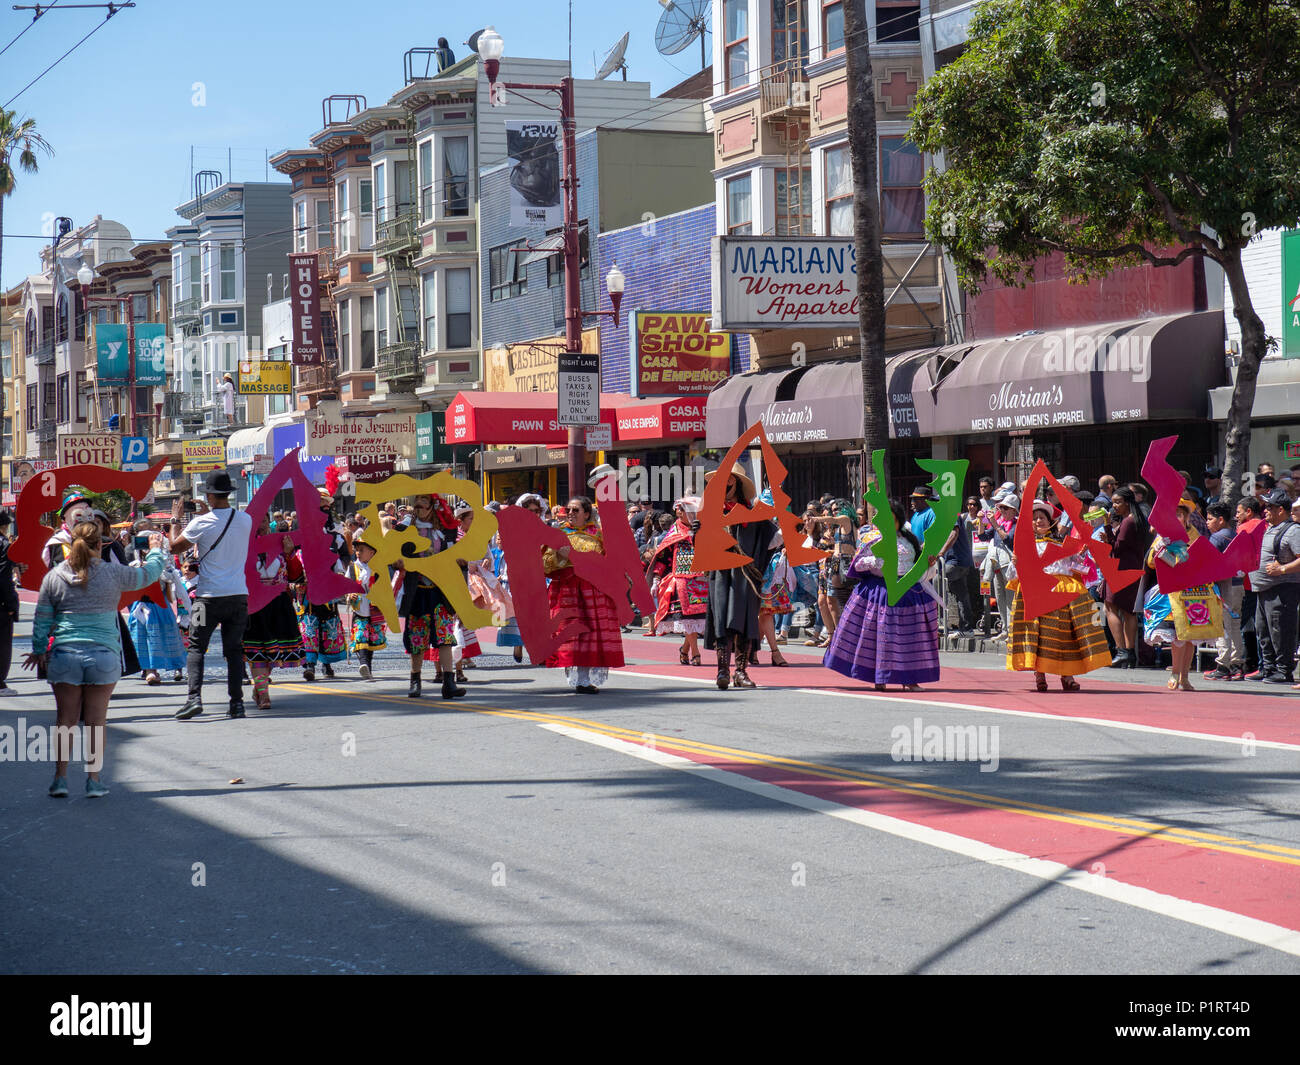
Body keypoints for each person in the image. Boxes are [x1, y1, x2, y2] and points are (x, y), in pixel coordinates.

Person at [26, 522, 168, 797]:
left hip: (65, 654)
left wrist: (39, 650)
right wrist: (155, 551)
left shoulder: (55, 577)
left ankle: (60, 778)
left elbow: (42, 620)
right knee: (96, 722)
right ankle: (93, 780)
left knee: (65, 720)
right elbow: (149, 575)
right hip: (103, 654)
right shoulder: (113, 573)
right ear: (101, 545)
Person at [824, 500, 940, 691]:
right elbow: (857, 564)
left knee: (908, 638)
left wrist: (929, 562)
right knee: (880, 636)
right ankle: (879, 677)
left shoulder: (909, 539)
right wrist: (875, 561)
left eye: (892, 519)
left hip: (907, 593)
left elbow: (918, 566)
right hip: (879, 594)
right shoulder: (872, 539)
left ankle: (910, 679)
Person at [169, 470, 253, 720]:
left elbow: (175, 546)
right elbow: (221, 527)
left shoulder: (200, 523)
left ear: (208, 495)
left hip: (207, 598)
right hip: (238, 596)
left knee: (196, 647)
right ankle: (236, 703)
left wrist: (175, 520)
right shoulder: (245, 519)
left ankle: (194, 698)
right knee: (234, 651)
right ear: (228, 493)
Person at [1006, 500, 1111, 691]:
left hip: (1063, 592)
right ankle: (1040, 675)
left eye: (1042, 518)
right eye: (1035, 518)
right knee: (1039, 635)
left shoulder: (1062, 543)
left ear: (1050, 521)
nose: (1039, 521)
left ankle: (1067, 675)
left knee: (1065, 635)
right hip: (1036, 593)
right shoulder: (1023, 546)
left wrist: (1081, 554)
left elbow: (1077, 568)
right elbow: (1013, 576)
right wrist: (1015, 562)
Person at [702, 465, 779, 690]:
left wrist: (794, 531)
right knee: (722, 619)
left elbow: (772, 539)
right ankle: (723, 670)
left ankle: (741, 671)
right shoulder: (711, 512)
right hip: (720, 574)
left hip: (745, 575)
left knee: (744, 621)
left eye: (728, 480)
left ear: (737, 484)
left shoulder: (752, 514)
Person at [542, 496, 625, 694]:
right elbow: (544, 564)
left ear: (586, 514)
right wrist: (558, 556)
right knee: (571, 632)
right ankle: (578, 677)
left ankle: (584, 679)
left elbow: (612, 561)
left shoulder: (598, 534)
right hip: (567, 590)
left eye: (575, 510)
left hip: (592, 591)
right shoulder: (557, 534)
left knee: (590, 633)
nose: (570, 513)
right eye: (568, 510)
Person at [1144, 497, 1224, 691]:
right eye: (1174, 514)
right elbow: (1151, 563)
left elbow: (1203, 558)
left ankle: (1185, 676)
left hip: (1194, 590)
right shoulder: (1163, 535)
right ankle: (1174, 673)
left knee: (1191, 637)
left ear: (1187, 517)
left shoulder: (1195, 535)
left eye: (1180, 514)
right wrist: (1161, 550)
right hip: (1173, 590)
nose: (1177, 518)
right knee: (1177, 636)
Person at [395, 494, 464, 700]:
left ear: (432, 506)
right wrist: (397, 563)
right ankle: (415, 681)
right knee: (417, 639)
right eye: (417, 504)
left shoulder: (444, 530)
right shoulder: (405, 529)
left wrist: (460, 562)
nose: (419, 508)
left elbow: (455, 556)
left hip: (439, 590)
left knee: (444, 637)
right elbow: (393, 554)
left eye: (424, 504)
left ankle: (449, 683)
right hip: (417, 591)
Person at [241, 516, 306, 708]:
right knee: (257, 651)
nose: (260, 525)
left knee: (272, 651)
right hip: (254, 606)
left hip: (279, 605)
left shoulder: (281, 545)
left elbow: (296, 576)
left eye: (263, 521)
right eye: (256, 522)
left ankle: (259, 687)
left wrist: (289, 553)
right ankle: (264, 695)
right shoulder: (244, 548)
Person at [293, 493, 349, 682]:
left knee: (328, 624)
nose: (323, 512)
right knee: (309, 623)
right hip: (308, 587)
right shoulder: (303, 533)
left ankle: (327, 663)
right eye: (320, 508)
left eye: (326, 509)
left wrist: (340, 572)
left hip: (328, 586)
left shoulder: (336, 536)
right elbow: (294, 554)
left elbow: (344, 556)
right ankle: (310, 664)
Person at [646, 497, 709, 667]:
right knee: (688, 618)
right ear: (678, 512)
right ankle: (695, 652)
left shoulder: (703, 529)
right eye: (688, 511)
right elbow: (663, 558)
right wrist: (656, 579)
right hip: (680, 581)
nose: (692, 515)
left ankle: (684, 650)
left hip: (701, 580)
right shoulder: (673, 533)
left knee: (695, 620)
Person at [1248, 488, 1300, 685]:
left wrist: (1283, 569)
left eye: (1269, 506)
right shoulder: (1269, 527)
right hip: (1264, 589)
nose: (1265, 510)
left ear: (1281, 509)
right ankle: (1268, 668)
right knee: (1264, 631)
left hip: (1282, 589)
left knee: (1280, 631)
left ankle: (1283, 670)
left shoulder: (1293, 530)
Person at [126, 522, 187, 687]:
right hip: (141, 605)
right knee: (142, 637)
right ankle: (149, 670)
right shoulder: (133, 565)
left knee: (158, 635)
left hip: (159, 604)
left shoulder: (164, 564)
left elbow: (174, 583)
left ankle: (175, 667)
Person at [1101, 486, 1149, 668]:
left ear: (1127, 503)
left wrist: (1107, 527)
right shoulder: (1136, 520)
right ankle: (1129, 653)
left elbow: (1117, 547)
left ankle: (1122, 651)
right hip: (1133, 567)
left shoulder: (1128, 522)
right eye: (1113, 502)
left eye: (1118, 502)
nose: (1114, 506)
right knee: (1129, 611)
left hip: (1121, 569)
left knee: (1110, 607)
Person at [1203, 502, 1246, 681]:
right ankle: (1237, 664)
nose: (1207, 522)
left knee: (1222, 626)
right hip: (1239, 585)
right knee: (1235, 626)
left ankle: (1223, 665)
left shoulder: (1217, 538)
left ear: (1221, 520)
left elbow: (1207, 562)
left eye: (1210, 519)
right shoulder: (1235, 535)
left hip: (1224, 587)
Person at [345, 529, 386, 682]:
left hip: (374, 610)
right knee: (361, 635)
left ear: (372, 552)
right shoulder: (352, 568)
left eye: (362, 550)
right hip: (360, 609)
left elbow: (384, 588)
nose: (358, 552)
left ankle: (368, 666)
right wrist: (350, 594)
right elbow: (347, 586)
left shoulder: (378, 568)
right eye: (357, 549)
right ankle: (363, 664)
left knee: (371, 639)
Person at [0, 509, 18, 697]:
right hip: (1, 602)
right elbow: (4, 576)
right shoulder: (5, 545)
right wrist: (11, 603)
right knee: (3, 644)